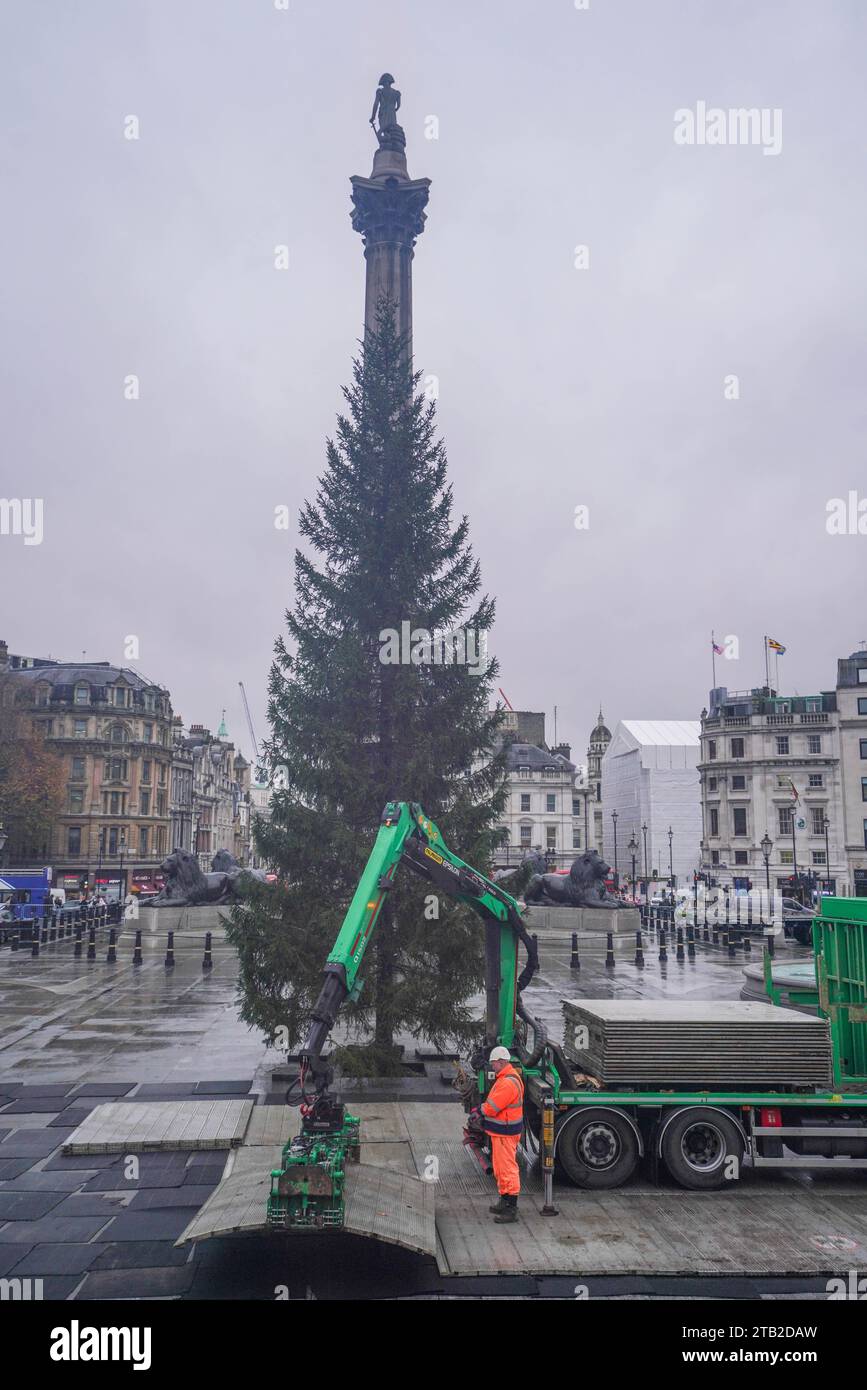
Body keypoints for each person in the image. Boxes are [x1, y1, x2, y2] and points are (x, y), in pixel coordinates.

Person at [481, 1045, 525, 1224]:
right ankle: (504, 1200)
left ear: (501, 1062)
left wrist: (480, 1109)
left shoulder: (507, 1082)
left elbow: (492, 1107)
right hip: (501, 1132)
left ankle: (511, 1208)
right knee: (500, 1168)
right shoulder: (506, 1077)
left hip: (505, 1133)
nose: (492, 1066)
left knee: (507, 1169)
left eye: (493, 1063)